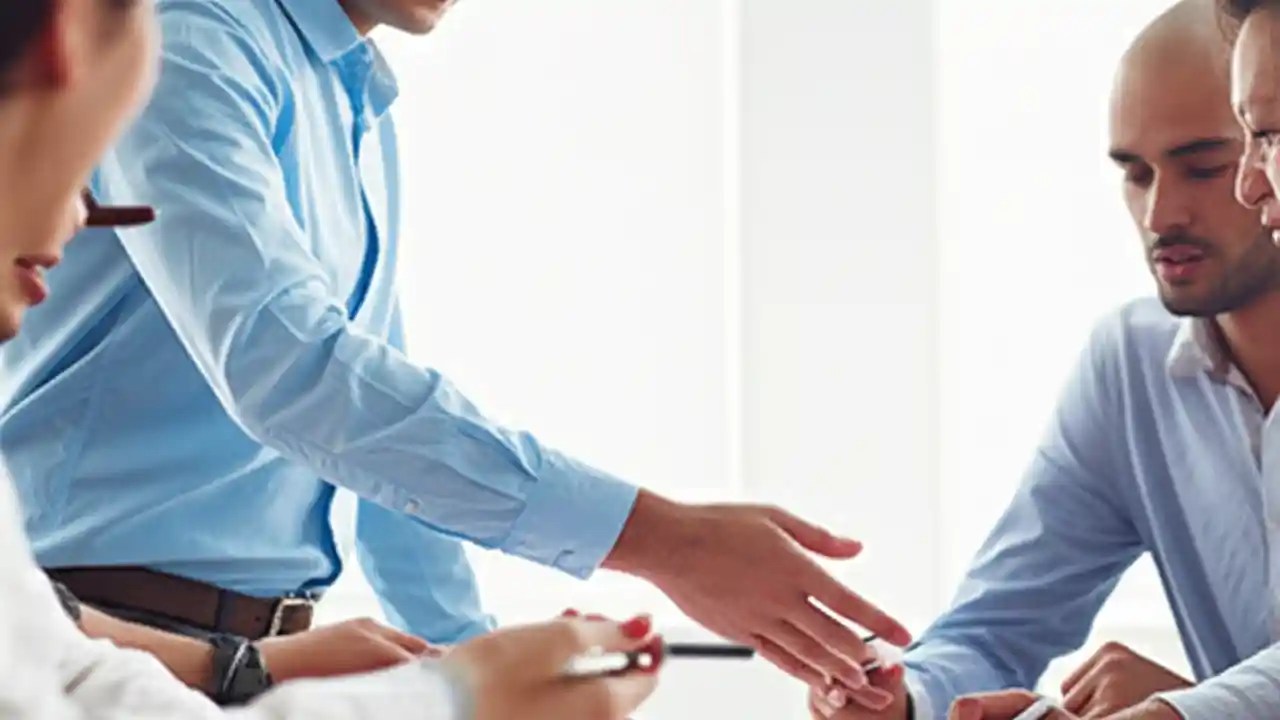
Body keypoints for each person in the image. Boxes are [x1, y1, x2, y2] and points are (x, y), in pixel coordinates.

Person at [0, 0, 911, 703]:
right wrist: (665, 539)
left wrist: (471, 655)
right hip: (93, 634)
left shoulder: (352, 95)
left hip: (268, 656)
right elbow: (289, 371)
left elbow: (369, 436)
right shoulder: (195, 40)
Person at [804, 0, 1280, 718]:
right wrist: (900, 696)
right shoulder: (1129, 367)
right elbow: (997, 626)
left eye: (1203, 167)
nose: (1159, 216)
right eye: (1136, 174)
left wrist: (1184, 710)